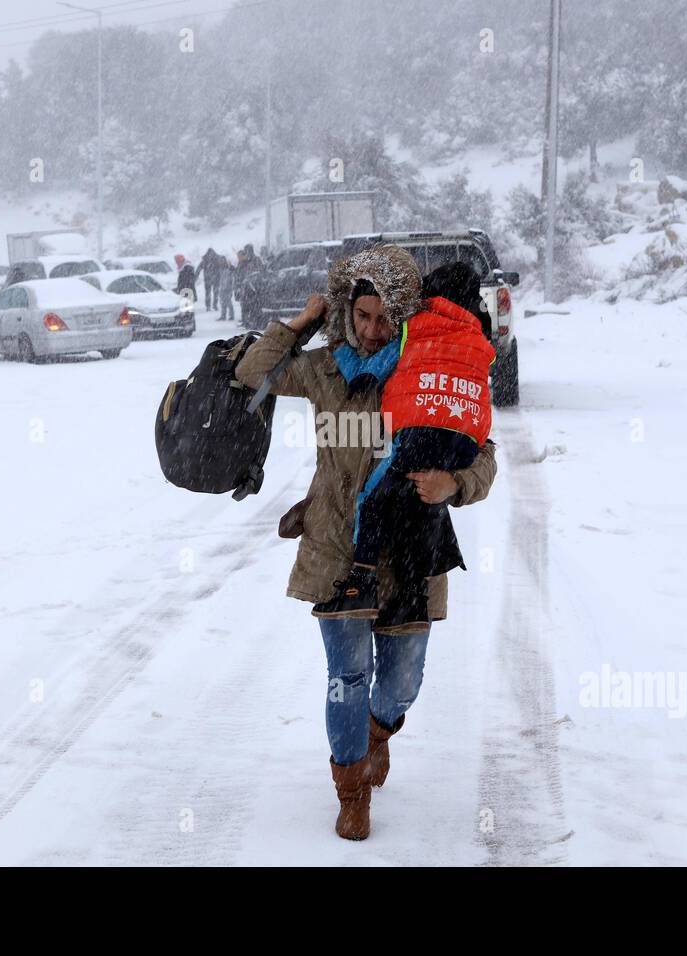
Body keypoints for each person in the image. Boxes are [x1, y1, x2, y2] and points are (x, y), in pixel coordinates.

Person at [234, 244, 497, 841]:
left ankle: (379, 731)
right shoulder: (325, 368)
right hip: (335, 549)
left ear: (402, 316)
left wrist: (453, 482)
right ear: (347, 315)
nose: (372, 331)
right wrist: (299, 324)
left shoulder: (427, 366)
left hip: (412, 552)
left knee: (402, 681)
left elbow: (484, 453)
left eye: (384, 319)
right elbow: (253, 372)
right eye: (362, 317)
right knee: (345, 675)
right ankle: (351, 792)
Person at [312, 262, 494, 627]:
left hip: (417, 434)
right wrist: (454, 474)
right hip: (463, 441)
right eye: (362, 316)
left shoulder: (414, 330)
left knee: (375, 497)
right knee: (421, 503)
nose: (371, 329)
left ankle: (361, 579)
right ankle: (413, 595)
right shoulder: (478, 336)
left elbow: (366, 373)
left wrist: (337, 346)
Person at [195, 247, 223, 312]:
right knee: (211, 293)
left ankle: (212, 306)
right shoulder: (207, 260)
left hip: (212, 279)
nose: (210, 256)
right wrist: (195, 277)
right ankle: (210, 306)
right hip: (212, 279)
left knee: (212, 293)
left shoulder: (207, 260)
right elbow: (198, 269)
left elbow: (198, 269)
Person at [218, 253, 236, 322]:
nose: (221, 262)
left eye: (222, 260)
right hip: (222, 287)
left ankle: (231, 315)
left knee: (228, 302)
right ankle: (223, 315)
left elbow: (234, 272)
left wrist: (231, 266)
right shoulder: (220, 268)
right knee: (222, 302)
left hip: (228, 288)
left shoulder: (229, 268)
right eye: (220, 260)